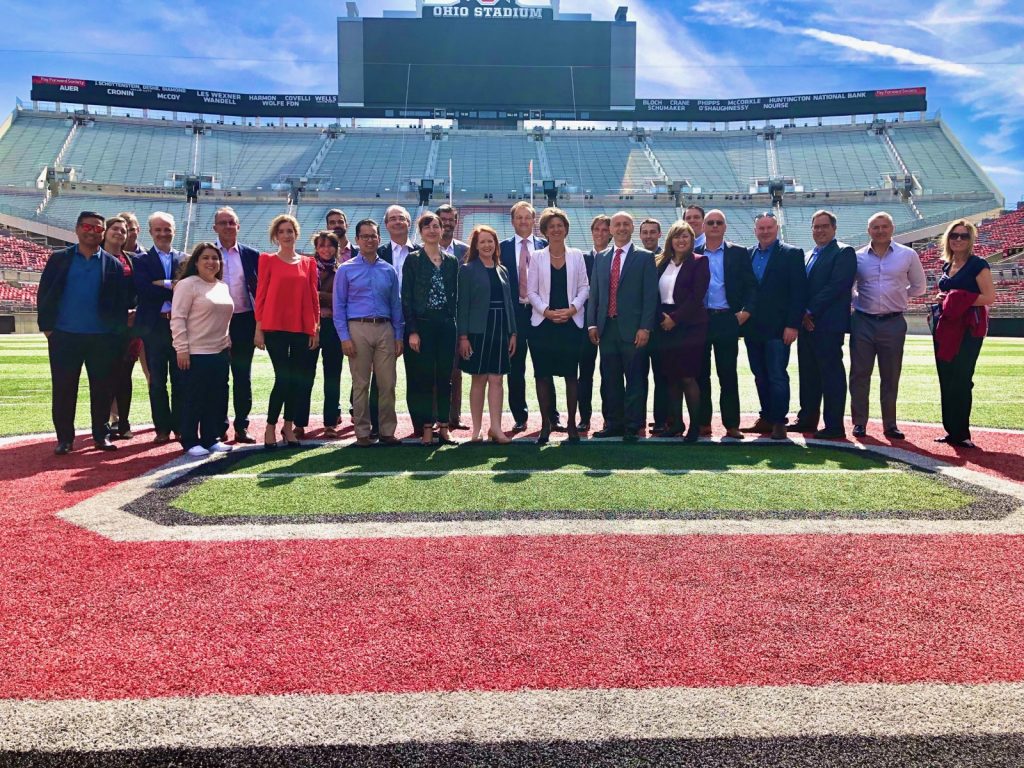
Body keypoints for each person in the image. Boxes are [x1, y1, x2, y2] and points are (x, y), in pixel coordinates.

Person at [38, 211, 132, 455]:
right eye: (88, 227)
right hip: (65, 335)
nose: (92, 232)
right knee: (64, 388)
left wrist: (116, 335)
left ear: (102, 233)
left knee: (102, 388)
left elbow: (120, 304)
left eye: (97, 229)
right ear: (78, 229)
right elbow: (45, 294)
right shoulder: (59, 259)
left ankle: (101, 435)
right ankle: (65, 439)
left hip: (101, 337)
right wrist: (48, 329)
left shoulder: (112, 263)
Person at [849, 212, 927, 439]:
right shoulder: (857, 257)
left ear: (892, 229)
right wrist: (858, 301)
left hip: (893, 321)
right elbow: (849, 287)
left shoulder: (908, 254)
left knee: (890, 375)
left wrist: (898, 297)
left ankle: (890, 424)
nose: (880, 230)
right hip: (863, 320)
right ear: (868, 231)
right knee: (859, 374)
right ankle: (859, 422)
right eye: (875, 227)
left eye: (884, 226)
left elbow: (919, 286)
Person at [586, 211, 658, 442]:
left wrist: (645, 327)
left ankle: (632, 425)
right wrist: (592, 324)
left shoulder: (645, 257)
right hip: (607, 328)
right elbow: (595, 294)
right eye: (617, 224)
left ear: (631, 227)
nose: (621, 228)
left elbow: (650, 296)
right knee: (610, 379)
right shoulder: (602, 257)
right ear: (611, 229)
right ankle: (613, 423)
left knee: (636, 378)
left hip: (634, 329)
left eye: (626, 224)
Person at [335, 219, 404, 447]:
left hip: (385, 328)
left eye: (373, 235)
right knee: (361, 383)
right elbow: (339, 306)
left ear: (379, 239)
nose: (369, 240)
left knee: (387, 384)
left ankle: (386, 431)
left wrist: (398, 335)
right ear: (357, 240)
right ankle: (362, 432)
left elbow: (396, 305)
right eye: (364, 236)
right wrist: (344, 337)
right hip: (358, 328)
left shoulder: (389, 270)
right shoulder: (345, 270)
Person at [254, 215, 320, 449]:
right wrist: (258, 329)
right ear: (275, 236)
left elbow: (313, 298)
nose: (286, 235)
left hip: (302, 327)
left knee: (297, 379)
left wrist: (315, 328)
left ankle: (288, 426)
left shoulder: (308, 263)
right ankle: (270, 425)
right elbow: (260, 295)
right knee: (283, 377)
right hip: (274, 327)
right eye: (282, 231)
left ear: (296, 234)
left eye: (290, 230)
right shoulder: (267, 260)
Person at [792, 210, 857, 440]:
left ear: (834, 228)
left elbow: (837, 286)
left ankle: (834, 425)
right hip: (806, 325)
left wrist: (809, 311)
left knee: (831, 375)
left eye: (824, 226)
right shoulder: (810, 255)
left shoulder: (843, 252)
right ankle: (808, 418)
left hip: (828, 325)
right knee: (808, 374)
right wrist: (802, 314)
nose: (820, 230)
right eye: (816, 227)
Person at [527, 207, 589, 444]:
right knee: (542, 376)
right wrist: (547, 312)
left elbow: (585, 287)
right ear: (544, 230)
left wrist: (572, 309)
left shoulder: (577, 255)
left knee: (571, 376)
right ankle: (546, 424)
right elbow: (531, 291)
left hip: (571, 323)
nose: (556, 229)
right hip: (543, 324)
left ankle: (572, 423)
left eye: (559, 226)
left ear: (566, 229)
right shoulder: (537, 256)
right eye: (551, 226)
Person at [742, 212, 806, 440]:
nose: (765, 231)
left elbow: (799, 292)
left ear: (776, 228)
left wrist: (792, 324)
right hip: (752, 328)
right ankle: (767, 416)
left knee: (777, 374)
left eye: (769, 227)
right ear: (755, 230)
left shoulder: (792, 254)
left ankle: (779, 421)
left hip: (779, 328)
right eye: (761, 228)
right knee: (759, 374)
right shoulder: (747, 254)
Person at [931, 219, 995, 448]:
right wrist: (943, 298)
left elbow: (989, 297)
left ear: (971, 240)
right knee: (945, 378)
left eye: (964, 236)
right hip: (944, 327)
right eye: (954, 235)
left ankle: (962, 433)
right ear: (947, 238)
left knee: (961, 378)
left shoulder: (978, 264)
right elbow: (947, 296)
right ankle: (951, 430)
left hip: (968, 329)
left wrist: (957, 298)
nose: (958, 239)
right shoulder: (947, 266)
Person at [694, 210, 757, 440]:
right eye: (710, 222)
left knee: (728, 374)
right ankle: (703, 423)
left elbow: (751, 286)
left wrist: (746, 312)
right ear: (703, 227)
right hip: (700, 320)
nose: (714, 226)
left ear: (725, 227)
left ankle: (732, 425)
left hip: (727, 319)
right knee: (701, 375)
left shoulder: (738, 252)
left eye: (718, 222)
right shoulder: (693, 253)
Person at [500, 201, 561, 433]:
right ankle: (519, 415)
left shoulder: (547, 246)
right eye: (519, 218)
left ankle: (552, 416)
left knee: (545, 365)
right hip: (514, 315)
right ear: (513, 221)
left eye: (527, 217)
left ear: (534, 221)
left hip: (541, 314)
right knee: (515, 368)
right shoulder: (502, 248)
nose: (523, 221)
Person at [171, 242, 235, 457]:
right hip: (195, 353)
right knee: (193, 398)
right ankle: (189, 440)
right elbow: (178, 318)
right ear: (196, 262)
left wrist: (227, 342)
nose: (211, 262)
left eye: (215, 258)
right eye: (205, 258)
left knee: (214, 398)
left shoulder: (222, 286)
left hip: (219, 352)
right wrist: (182, 349)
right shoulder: (187, 285)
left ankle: (211, 437)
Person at [457, 225, 518, 443]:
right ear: (475, 245)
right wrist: (463, 337)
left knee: (497, 379)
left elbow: (509, 303)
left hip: (501, 327)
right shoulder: (467, 269)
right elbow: (462, 305)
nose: (487, 245)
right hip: (477, 330)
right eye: (482, 241)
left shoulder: (503, 270)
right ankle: (476, 429)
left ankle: (496, 428)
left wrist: (513, 332)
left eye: (490, 241)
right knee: (479, 379)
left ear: (496, 244)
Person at [403, 213, 459, 445]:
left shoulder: (451, 261)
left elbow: (456, 297)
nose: (433, 230)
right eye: (428, 227)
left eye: (436, 226)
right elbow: (406, 297)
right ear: (421, 231)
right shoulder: (413, 260)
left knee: (445, 378)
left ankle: (444, 428)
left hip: (446, 326)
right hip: (423, 326)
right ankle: (427, 428)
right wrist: (413, 330)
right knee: (426, 379)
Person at [651, 221, 709, 442]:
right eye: (677, 236)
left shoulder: (699, 262)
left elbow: (697, 296)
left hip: (690, 325)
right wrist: (662, 318)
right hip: (664, 323)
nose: (681, 240)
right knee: (671, 377)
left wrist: (674, 319)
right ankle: (675, 424)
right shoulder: (661, 262)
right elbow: (653, 294)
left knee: (687, 377)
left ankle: (695, 426)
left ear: (692, 239)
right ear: (670, 240)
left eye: (685, 236)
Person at [133, 211, 187, 444]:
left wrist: (163, 284)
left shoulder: (185, 259)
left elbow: (188, 290)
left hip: (179, 327)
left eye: (167, 229)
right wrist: (173, 286)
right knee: (156, 380)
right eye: (158, 229)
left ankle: (180, 426)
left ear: (173, 231)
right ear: (151, 232)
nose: (163, 233)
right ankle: (161, 428)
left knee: (180, 379)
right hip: (154, 327)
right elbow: (143, 290)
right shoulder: (140, 261)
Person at [212, 206, 260, 444]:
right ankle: (219, 426)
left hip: (244, 321)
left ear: (238, 226)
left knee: (243, 376)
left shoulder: (252, 255)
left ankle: (242, 425)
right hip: (214, 323)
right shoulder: (207, 254)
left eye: (232, 222)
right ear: (215, 228)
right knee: (218, 377)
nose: (228, 227)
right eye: (223, 223)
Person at [371, 205, 419, 439]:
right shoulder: (376, 254)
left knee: (417, 374)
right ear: (386, 225)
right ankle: (377, 425)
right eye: (392, 219)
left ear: (409, 223)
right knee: (379, 378)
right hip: (384, 321)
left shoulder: (421, 252)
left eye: (402, 218)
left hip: (414, 322)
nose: (398, 222)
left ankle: (420, 424)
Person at [299, 231, 346, 438]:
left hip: (334, 327)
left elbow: (342, 299)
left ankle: (330, 422)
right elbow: (303, 296)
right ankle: (299, 422)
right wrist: (326, 299)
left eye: (330, 246)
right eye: (321, 246)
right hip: (309, 326)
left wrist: (319, 297)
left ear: (337, 248)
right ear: (316, 248)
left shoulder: (342, 270)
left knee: (332, 376)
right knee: (305, 375)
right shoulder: (307, 267)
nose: (326, 249)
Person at [102, 216, 141, 440]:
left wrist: (135, 312)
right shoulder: (96, 257)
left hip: (129, 329)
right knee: (104, 377)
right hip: (103, 328)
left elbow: (139, 291)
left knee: (124, 376)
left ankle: (123, 422)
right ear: (106, 232)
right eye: (114, 229)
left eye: (123, 230)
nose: (119, 233)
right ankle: (102, 424)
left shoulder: (132, 260)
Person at [437, 203, 470, 431]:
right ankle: (431, 419)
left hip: (458, 318)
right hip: (432, 319)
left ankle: (454, 418)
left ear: (456, 222)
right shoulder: (422, 250)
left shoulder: (466, 250)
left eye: (451, 219)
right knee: (432, 371)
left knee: (455, 372)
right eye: (443, 219)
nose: (447, 223)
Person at [577, 214, 610, 432]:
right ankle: (584, 417)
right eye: (596, 229)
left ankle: (611, 417)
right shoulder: (581, 258)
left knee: (610, 374)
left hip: (610, 324)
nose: (600, 233)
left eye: (604, 230)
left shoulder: (615, 258)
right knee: (585, 374)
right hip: (584, 324)